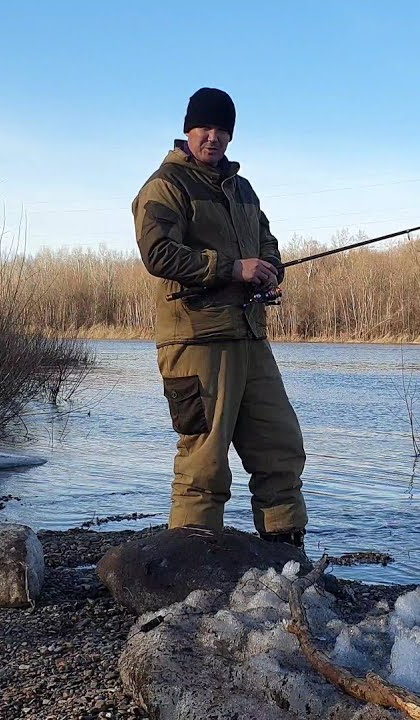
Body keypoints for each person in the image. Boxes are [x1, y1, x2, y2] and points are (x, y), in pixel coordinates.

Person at [131, 87, 307, 548]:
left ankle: (285, 554)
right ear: (188, 129)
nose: (214, 137)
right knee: (204, 459)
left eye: (223, 130)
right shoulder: (165, 186)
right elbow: (159, 253)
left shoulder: (242, 189)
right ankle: (191, 560)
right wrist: (231, 268)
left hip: (249, 335)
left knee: (281, 445)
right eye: (205, 128)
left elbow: (267, 240)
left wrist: (268, 269)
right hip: (195, 341)